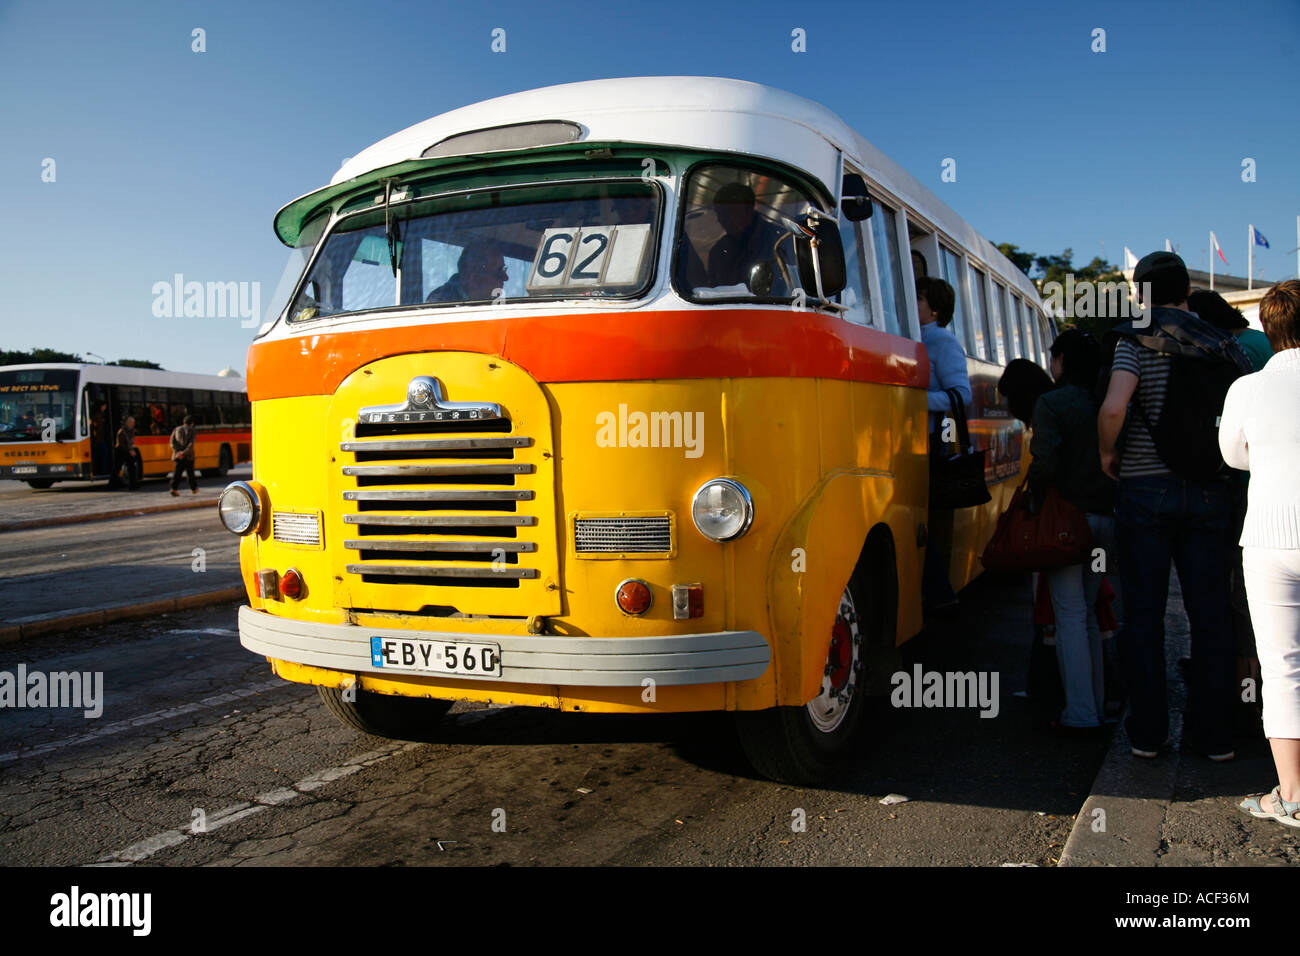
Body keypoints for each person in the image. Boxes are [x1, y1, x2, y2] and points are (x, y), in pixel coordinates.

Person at [1098, 251, 1252, 760]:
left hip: (1145, 491)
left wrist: (1107, 452)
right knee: (1210, 615)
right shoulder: (1222, 344)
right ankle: (1215, 738)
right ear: (1187, 290)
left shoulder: (1133, 339)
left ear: (1141, 294)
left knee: (1143, 614)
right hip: (1210, 491)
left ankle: (1148, 734)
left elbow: (1115, 405)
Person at [1220, 279, 1300, 827]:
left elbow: (1233, 457)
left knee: (1282, 666)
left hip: (1270, 534)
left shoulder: (1246, 389)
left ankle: (1291, 795)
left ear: (1268, 331)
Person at [1189, 288, 1273, 734]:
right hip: (1265, 489)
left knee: (1243, 600)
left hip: (1245, 493)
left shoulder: (1238, 353)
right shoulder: (1262, 344)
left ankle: (1247, 692)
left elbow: (1234, 445)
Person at [1027, 330, 1118, 730]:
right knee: (1089, 613)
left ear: (1061, 359)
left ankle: (1080, 713)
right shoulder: (1103, 399)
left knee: (1069, 614)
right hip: (1106, 520)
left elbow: (1045, 461)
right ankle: (1096, 706)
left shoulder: (1052, 403)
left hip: (1067, 523)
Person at [918, 275, 972, 610]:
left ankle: (939, 595)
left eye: (920, 298)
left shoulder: (942, 340)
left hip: (928, 446)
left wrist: (917, 401)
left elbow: (960, 395)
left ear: (935, 309)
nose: (915, 302)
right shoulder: (909, 333)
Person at [704, 182, 780, 291]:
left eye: (728, 212)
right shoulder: (718, 252)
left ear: (748, 211)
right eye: (719, 213)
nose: (722, 219)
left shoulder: (779, 241)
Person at [426, 241, 507, 303]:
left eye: (504, 269)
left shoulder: (492, 303)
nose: (506, 278)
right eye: (499, 272)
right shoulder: (440, 303)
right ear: (474, 276)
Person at [169, 414, 198, 496]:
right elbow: (191, 444)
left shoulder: (176, 429)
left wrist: (178, 452)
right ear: (191, 423)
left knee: (177, 473)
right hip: (188, 456)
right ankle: (194, 488)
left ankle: (173, 488)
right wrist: (184, 452)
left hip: (178, 455)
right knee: (190, 473)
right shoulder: (192, 430)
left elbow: (172, 442)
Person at [114, 415, 141, 490]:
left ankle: (133, 484)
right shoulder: (122, 431)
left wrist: (131, 449)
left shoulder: (131, 430)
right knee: (118, 467)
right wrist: (130, 450)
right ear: (127, 423)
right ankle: (114, 483)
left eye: (133, 422)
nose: (133, 424)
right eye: (131, 422)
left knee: (131, 467)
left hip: (127, 451)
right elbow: (122, 443)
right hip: (121, 451)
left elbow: (130, 442)